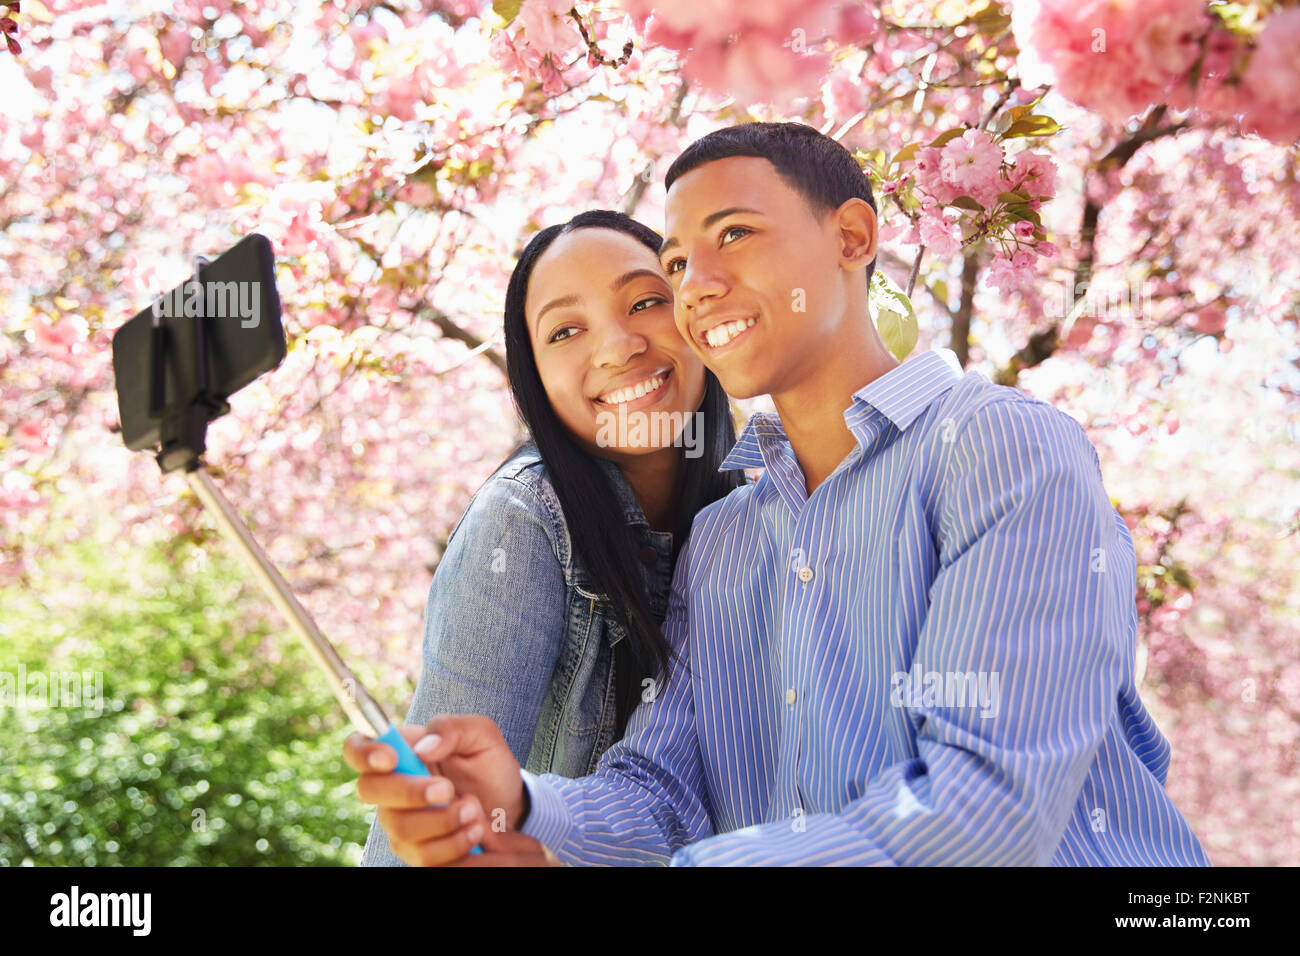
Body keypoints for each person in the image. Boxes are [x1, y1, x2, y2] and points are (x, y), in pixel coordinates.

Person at [347, 122, 1211, 866]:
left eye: (734, 235)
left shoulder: (1000, 448)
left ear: (852, 238)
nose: (697, 286)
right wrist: (532, 807)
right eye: (678, 262)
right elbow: (659, 789)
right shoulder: (723, 538)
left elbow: (984, 810)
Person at [356, 209, 742, 866]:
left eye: (646, 301)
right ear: (535, 379)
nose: (618, 347)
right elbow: (437, 817)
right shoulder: (526, 518)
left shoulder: (759, 508)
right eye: (565, 331)